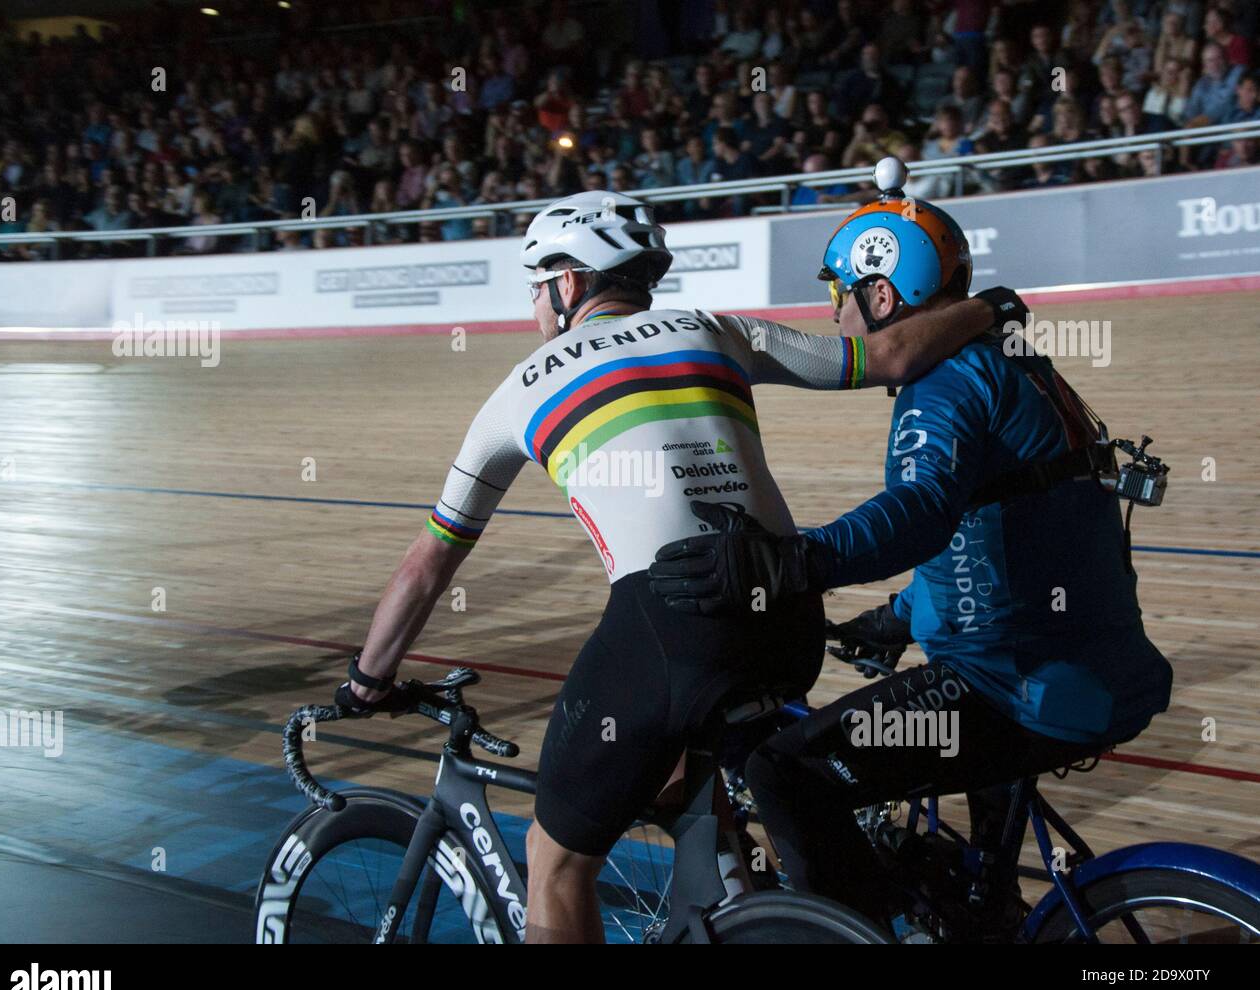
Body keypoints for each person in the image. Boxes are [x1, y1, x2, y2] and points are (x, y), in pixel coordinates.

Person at [336, 189, 1018, 943]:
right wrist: (986, 308)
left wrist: (368, 678)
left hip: (671, 627)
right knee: (670, 774)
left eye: (536, 287)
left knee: (554, 857)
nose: (534, 305)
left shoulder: (517, 392)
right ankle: (731, 892)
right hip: (788, 614)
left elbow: (427, 565)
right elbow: (893, 352)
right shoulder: (715, 328)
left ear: (568, 285)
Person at [649, 166, 1173, 935]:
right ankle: (988, 914)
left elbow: (922, 514)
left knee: (784, 770)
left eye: (841, 291)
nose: (832, 309)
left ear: (883, 297)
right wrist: (902, 612)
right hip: (1097, 662)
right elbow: (1008, 528)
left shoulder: (945, 385)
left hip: (1016, 685)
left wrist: (792, 560)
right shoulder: (1019, 360)